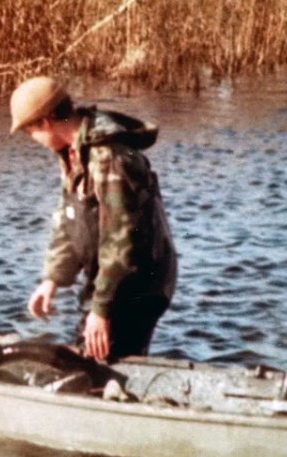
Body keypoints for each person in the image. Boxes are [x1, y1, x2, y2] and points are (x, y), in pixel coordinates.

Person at [10, 76, 176, 363]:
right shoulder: (75, 153)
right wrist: (53, 279)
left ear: (46, 122)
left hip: (138, 281)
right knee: (92, 353)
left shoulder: (110, 157)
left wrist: (101, 310)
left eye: (30, 132)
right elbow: (69, 222)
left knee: (103, 359)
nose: (33, 141)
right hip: (110, 275)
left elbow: (122, 240)